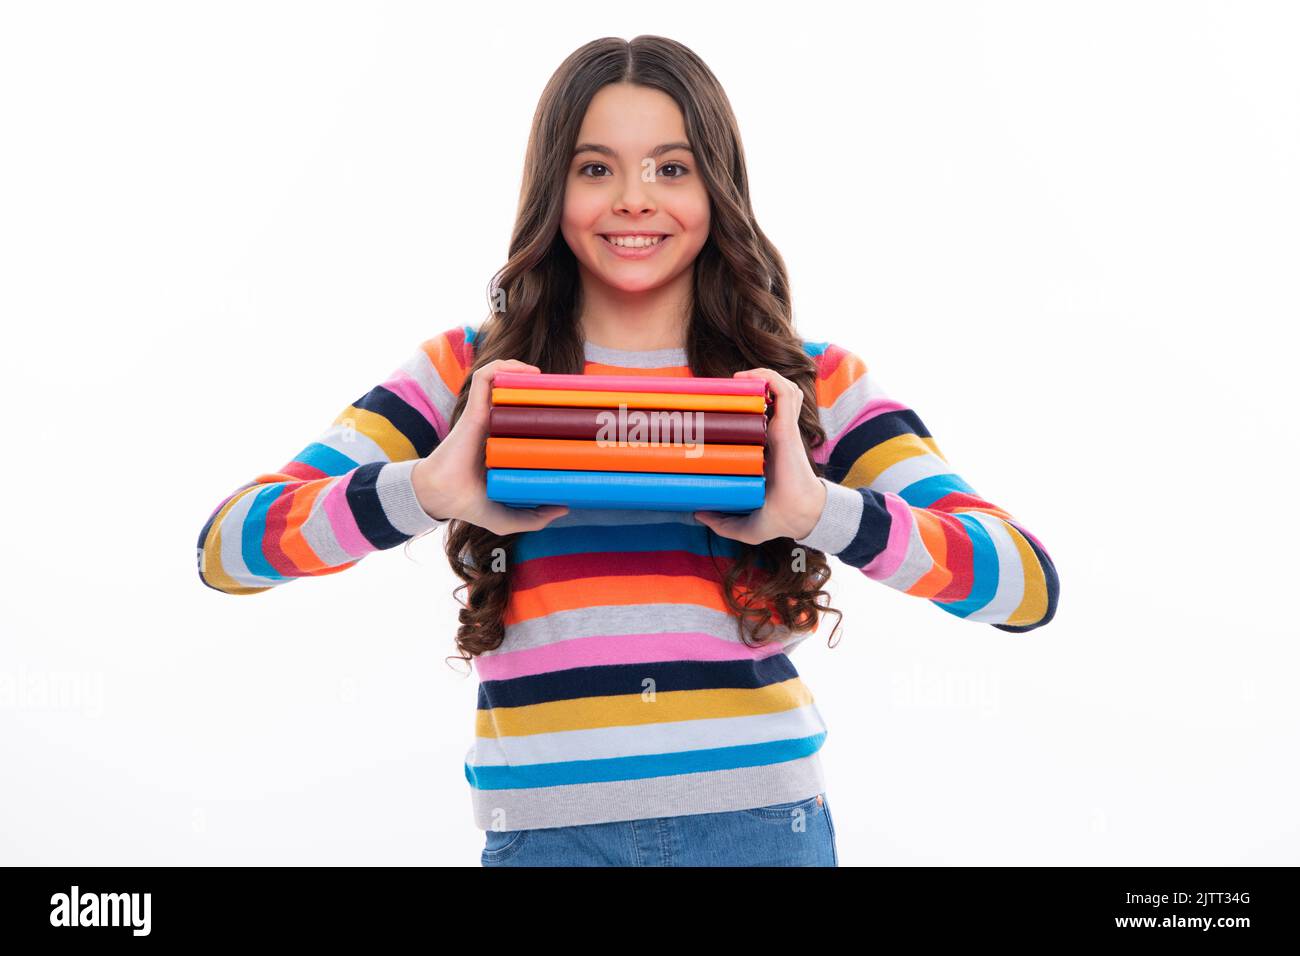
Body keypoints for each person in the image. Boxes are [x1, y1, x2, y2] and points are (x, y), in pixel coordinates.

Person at [197, 35, 1059, 867]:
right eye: (596, 167)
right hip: (545, 840)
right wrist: (425, 488)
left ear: (717, 187)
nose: (635, 199)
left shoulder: (806, 383)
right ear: (553, 190)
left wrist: (820, 513)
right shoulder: (468, 375)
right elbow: (231, 550)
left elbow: (1021, 585)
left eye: (671, 168)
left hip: (760, 832)